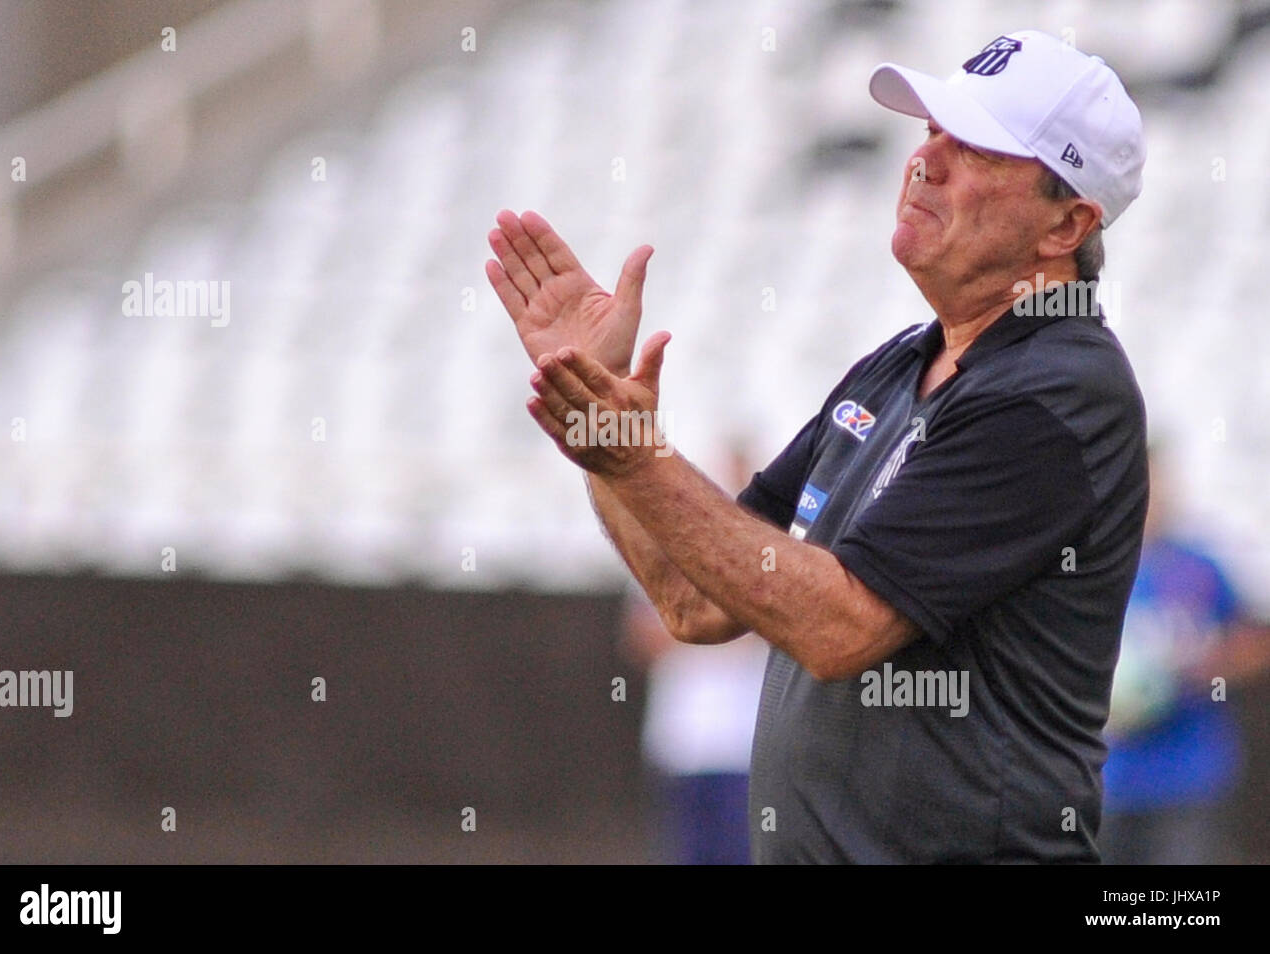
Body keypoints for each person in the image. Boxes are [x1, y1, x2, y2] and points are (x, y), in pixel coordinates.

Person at [486, 29, 1148, 863]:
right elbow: (695, 600)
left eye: (976, 148)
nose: (925, 161)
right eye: (932, 132)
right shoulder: (898, 365)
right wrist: (598, 415)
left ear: (1068, 224)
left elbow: (836, 626)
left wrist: (637, 454)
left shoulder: (1056, 391)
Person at [1099, 448, 1270, 864]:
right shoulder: (1091, 571)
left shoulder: (1201, 567)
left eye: (1159, 486)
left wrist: (1206, 667)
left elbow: (1255, 643)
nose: (1151, 497)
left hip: (1188, 777)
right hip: (1106, 781)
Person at [619, 445, 769, 865]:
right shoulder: (668, 549)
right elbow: (642, 637)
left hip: (743, 744)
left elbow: (774, 632)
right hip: (683, 739)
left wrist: (694, 630)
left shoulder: (770, 555)